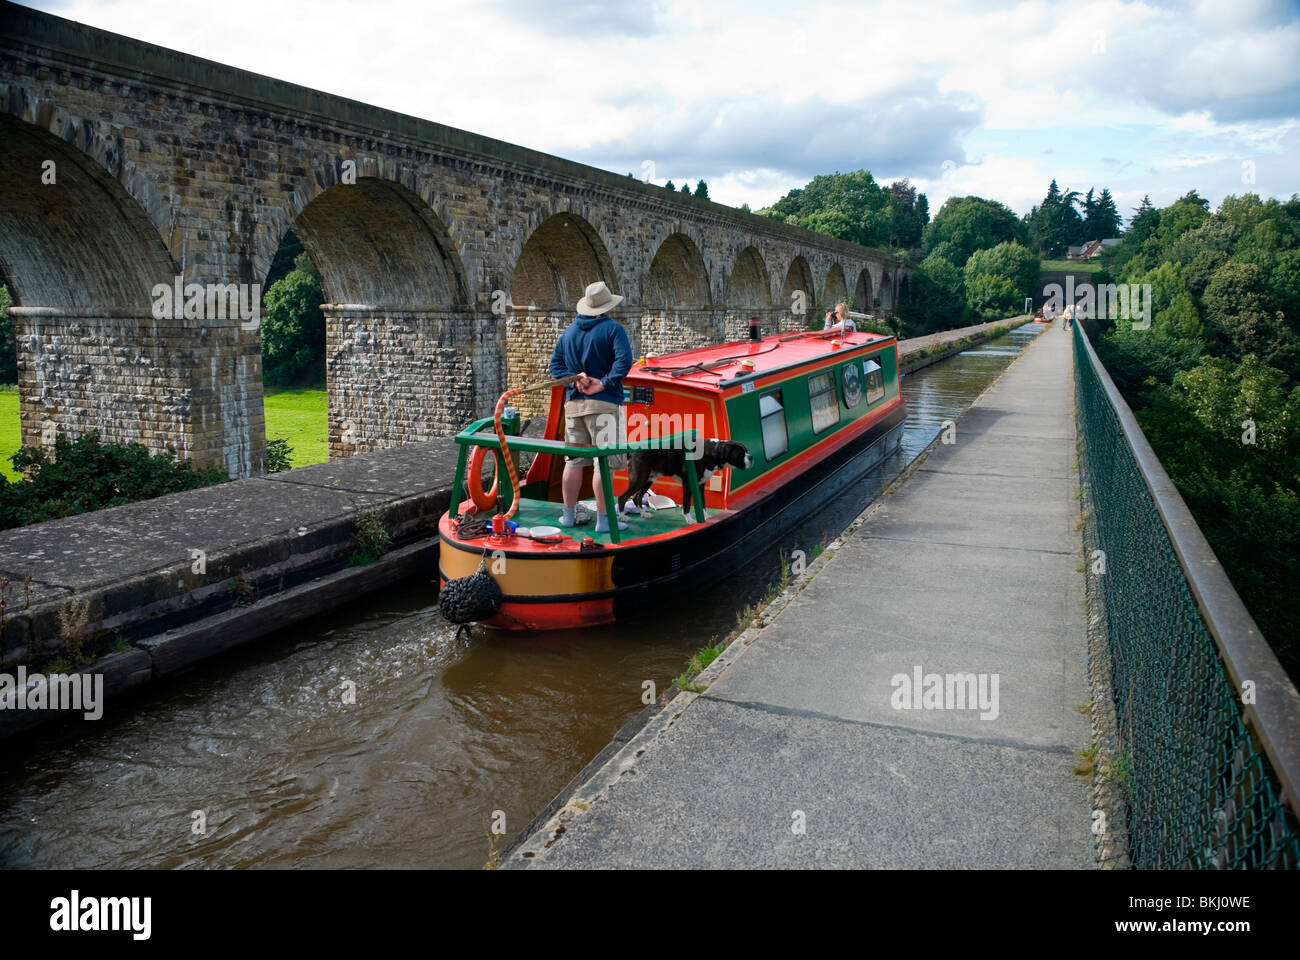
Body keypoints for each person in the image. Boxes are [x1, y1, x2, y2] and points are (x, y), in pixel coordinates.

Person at [548, 280, 634, 534]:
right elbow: (623, 362)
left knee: (573, 462)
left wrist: (578, 378)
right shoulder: (612, 330)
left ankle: (568, 516)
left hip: (573, 405)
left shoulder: (569, 333)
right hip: (604, 405)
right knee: (603, 464)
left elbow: (555, 367)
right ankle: (605, 521)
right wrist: (602, 383)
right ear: (607, 308)